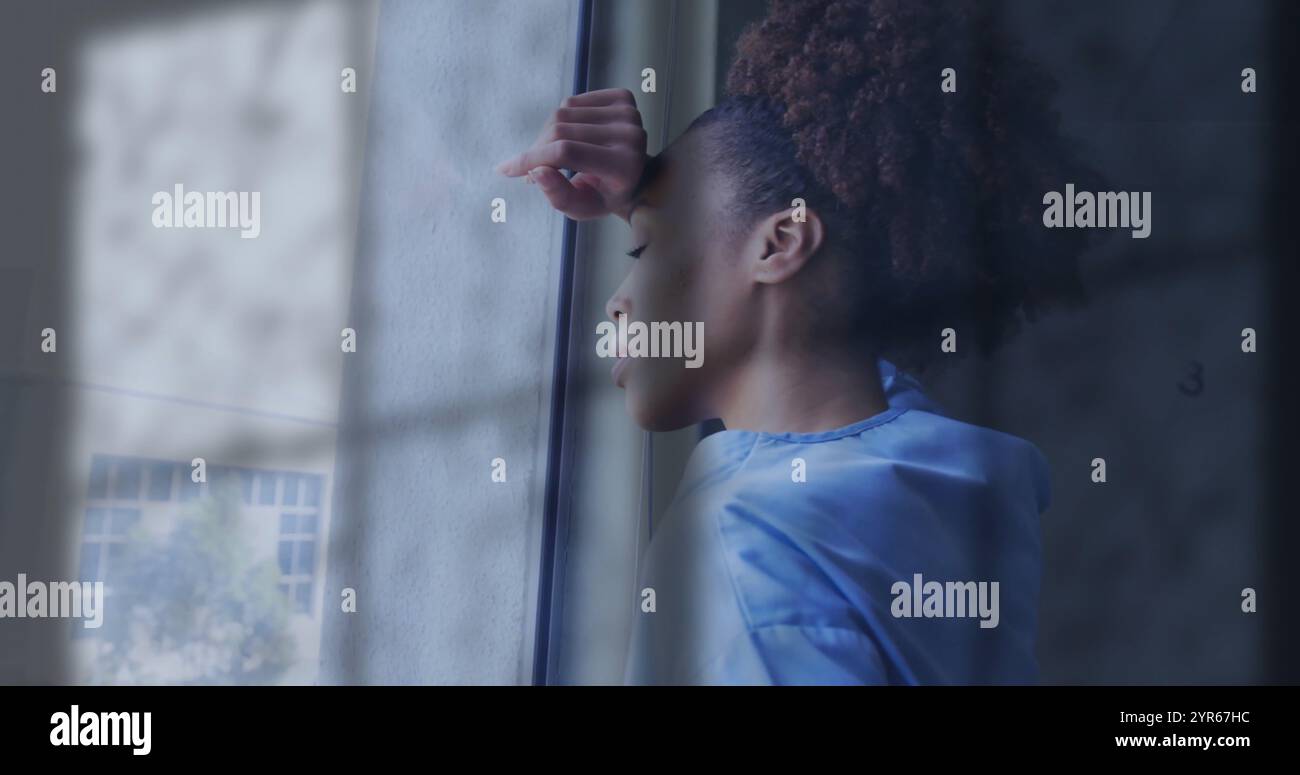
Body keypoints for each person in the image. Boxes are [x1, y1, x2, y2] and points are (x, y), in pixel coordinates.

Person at [496, 0, 1099, 684]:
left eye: (641, 249)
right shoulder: (933, 485)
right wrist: (661, 204)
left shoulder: (748, 544)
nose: (617, 300)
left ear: (780, 242)